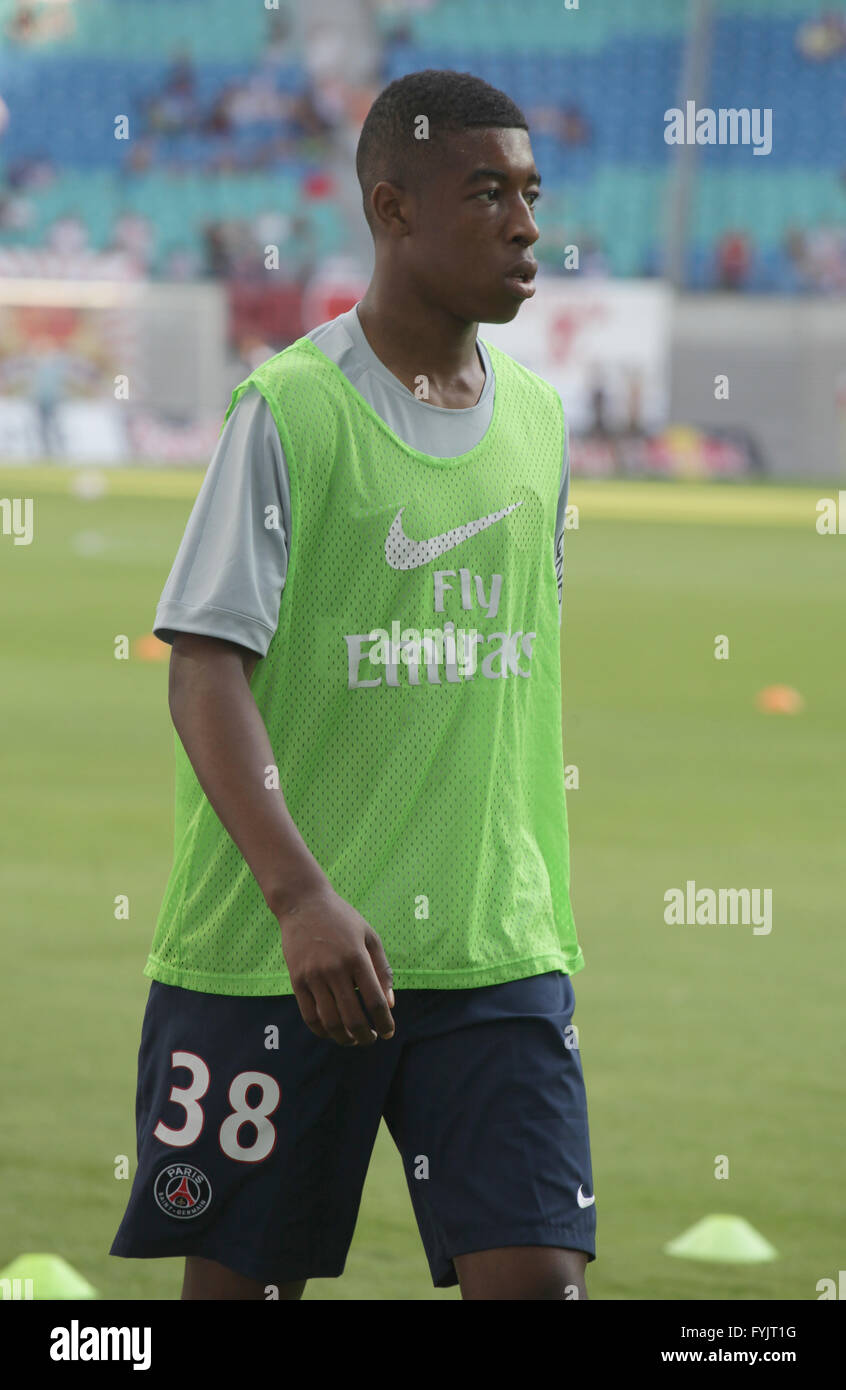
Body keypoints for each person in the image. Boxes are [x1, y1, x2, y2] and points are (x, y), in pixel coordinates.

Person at [110, 68, 595, 1301]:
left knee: (539, 1280)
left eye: (531, 192)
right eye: (487, 191)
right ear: (391, 209)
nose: (526, 223)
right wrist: (299, 897)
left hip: (492, 948)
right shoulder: (289, 411)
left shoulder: (541, 424)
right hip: (282, 953)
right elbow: (204, 667)